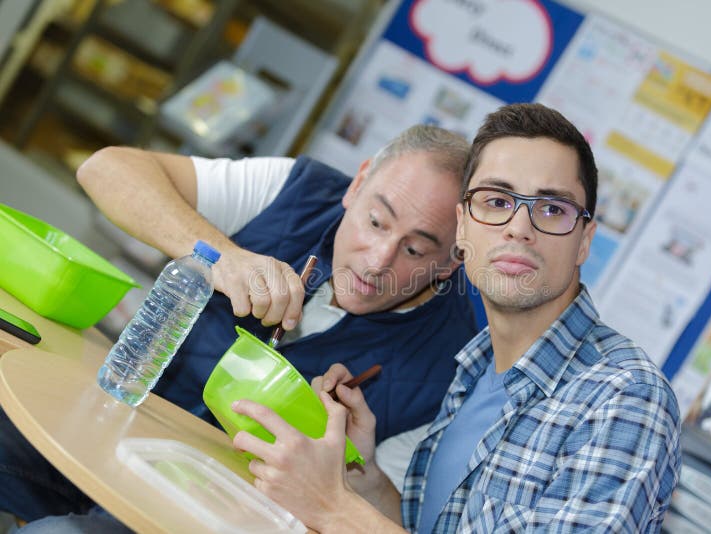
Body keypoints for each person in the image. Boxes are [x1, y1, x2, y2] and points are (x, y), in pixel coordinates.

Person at [230, 103, 682, 533]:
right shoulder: (473, 369)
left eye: (552, 209)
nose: (519, 227)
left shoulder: (624, 398)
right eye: (497, 201)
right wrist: (361, 476)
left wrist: (334, 509)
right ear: (462, 229)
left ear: (584, 241)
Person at [0, 125, 478, 523]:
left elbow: (385, 521)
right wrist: (224, 256)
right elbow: (104, 168)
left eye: (415, 250)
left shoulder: (451, 370)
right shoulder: (297, 191)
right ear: (358, 185)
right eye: (375, 222)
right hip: (106, 424)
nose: (377, 261)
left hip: (198, 514)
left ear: (452, 261)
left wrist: (355, 468)